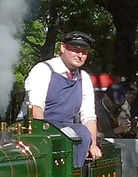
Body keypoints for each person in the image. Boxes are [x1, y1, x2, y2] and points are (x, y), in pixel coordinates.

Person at [23, 30, 101, 168]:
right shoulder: (43, 70)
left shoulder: (85, 79)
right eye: (75, 50)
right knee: (68, 134)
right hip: (35, 129)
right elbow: (36, 109)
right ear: (62, 47)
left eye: (84, 52)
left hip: (66, 128)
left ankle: (73, 175)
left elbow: (88, 116)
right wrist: (43, 141)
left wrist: (93, 145)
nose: (80, 55)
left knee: (82, 132)